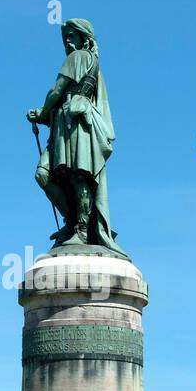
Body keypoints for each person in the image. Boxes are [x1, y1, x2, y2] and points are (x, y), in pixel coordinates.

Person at [26, 19, 127, 255]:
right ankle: (71, 220)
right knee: (44, 174)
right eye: (65, 37)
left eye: (72, 36)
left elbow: (57, 89)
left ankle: (80, 230)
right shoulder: (90, 62)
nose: (68, 41)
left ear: (84, 38)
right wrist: (46, 116)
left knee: (79, 174)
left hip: (77, 123)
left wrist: (42, 110)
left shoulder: (79, 57)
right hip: (64, 122)